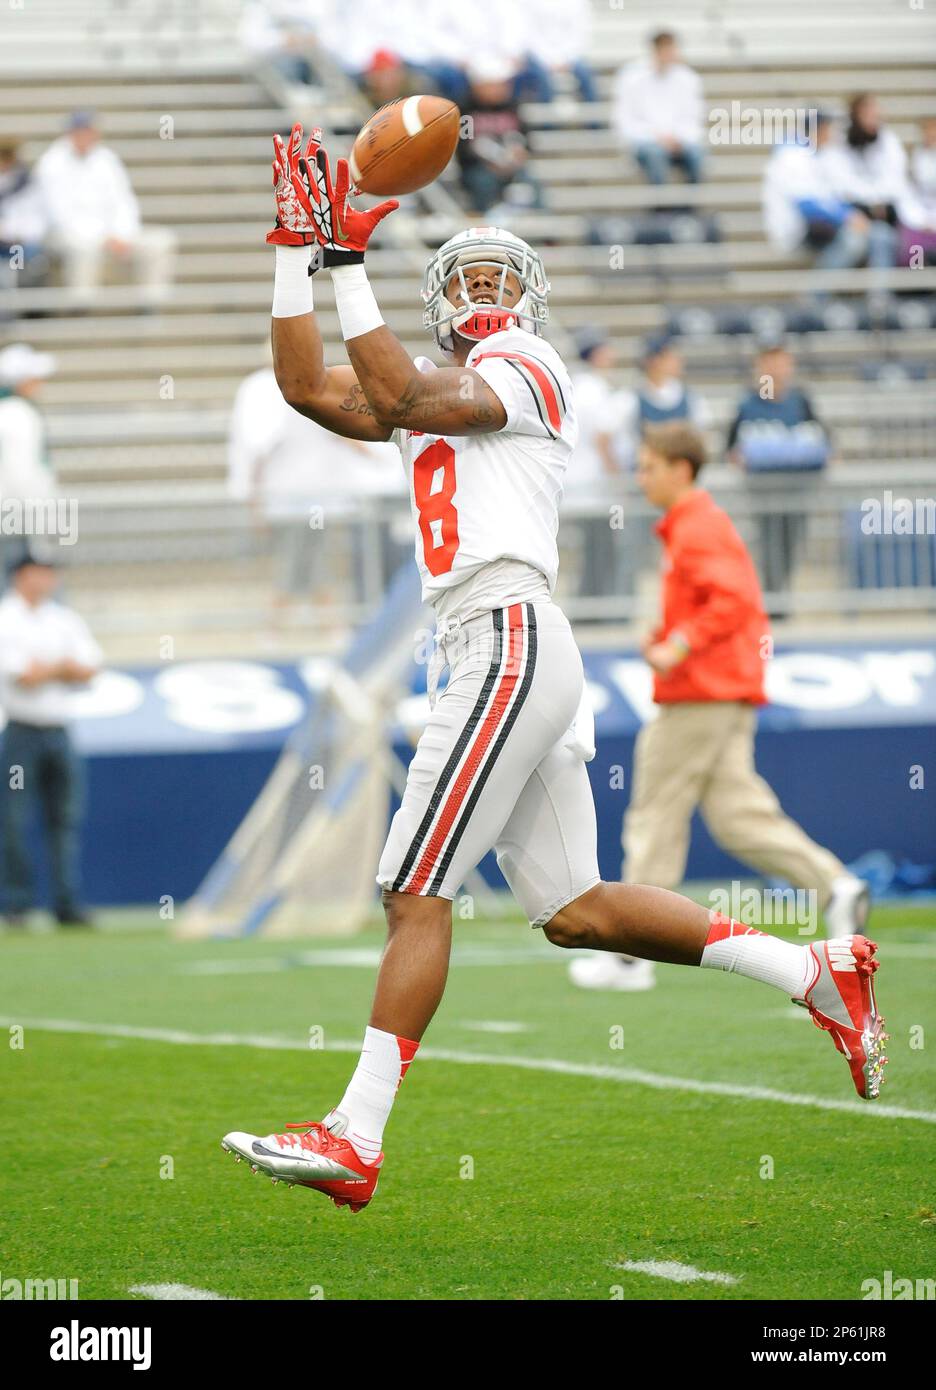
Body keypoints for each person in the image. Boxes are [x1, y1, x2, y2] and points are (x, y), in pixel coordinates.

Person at [219, 125, 887, 1213]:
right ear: (441, 302)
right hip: (495, 645)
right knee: (577, 907)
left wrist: (347, 262)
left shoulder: (525, 365)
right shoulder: (423, 377)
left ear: (527, 300)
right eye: (465, 277)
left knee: (412, 889)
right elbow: (306, 385)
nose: (481, 289)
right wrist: (297, 248)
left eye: (498, 275)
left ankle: (355, 1134)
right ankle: (817, 972)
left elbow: (401, 395)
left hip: (507, 638)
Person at [570, 423, 870, 994]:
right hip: (725, 688)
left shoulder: (697, 523)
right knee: (738, 818)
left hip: (700, 691)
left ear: (681, 469)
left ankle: (631, 955)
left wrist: (675, 646)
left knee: (654, 814)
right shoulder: (695, 522)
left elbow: (732, 598)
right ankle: (837, 886)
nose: (642, 476)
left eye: (649, 465)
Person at [227, 353, 403, 620]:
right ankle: (288, 629)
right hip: (296, 499)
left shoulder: (284, 395)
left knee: (309, 568)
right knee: (297, 569)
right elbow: (261, 450)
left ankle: (297, 629)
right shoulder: (285, 396)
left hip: (301, 498)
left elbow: (340, 436)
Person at [0, 552, 101, 928]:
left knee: (65, 819)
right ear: (21, 576)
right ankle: (16, 904)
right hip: (21, 732)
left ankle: (66, 904)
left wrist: (50, 669)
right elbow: (22, 676)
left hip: (59, 731)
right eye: (41, 572)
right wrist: (62, 667)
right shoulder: (6, 619)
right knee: (13, 819)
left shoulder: (63, 619)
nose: (49, 580)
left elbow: (90, 668)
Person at [34, 111, 177, 311]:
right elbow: (59, 214)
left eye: (88, 131)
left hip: (111, 235)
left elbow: (124, 201)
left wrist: (121, 234)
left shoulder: (107, 159)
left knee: (161, 241)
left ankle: (150, 304)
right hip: (67, 235)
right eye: (80, 131)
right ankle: (81, 307)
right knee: (83, 248)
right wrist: (104, 236)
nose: (84, 136)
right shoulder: (51, 163)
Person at [726, 342, 829, 603]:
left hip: (797, 488)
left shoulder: (800, 400)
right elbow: (731, 445)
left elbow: (822, 436)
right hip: (764, 490)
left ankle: (780, 596)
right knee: (770, 543)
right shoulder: (748, 404)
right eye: (770, 363)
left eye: (782, 363)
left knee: (791, 542)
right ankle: (774, 600)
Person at [761, 111, 882, 270]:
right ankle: (815, 293)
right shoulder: (792, 157)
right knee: (854, 242)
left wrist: (850, 214)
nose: (832, 134)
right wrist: (847, 217)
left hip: (816, 224)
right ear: (819, 129)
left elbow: (828, 197)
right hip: (797, 229)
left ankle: (878, 293)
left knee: (881, 235)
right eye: (829, 129)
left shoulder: (813, 155)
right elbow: (807, 206)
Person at [563, 330, 628, 598]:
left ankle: (589, 602)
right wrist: (617, 478)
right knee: (600, 552)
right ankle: (598, 604)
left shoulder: (573, 386)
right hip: (595, 485)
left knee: (588, 553)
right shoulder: (598, 390)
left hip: (573, 483)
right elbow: (604, 439)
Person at [818, 94, 907, 270]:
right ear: (855, 116)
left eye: (876, 114)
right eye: (867, 114)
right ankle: (815, 294)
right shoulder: (839, 143)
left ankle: (879, 295)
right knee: (860, 241)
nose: (874, 119)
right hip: (848, 211)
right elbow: (840, 183)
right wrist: (870, 204)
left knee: (885, 237)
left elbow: (896, 178)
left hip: (883, 211)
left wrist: (877, 202)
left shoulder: (888, 141)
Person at [612, 31, 704, 186]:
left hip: (680, 141)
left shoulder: (688, 79)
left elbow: (694, 118)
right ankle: (660, 207)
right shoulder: (632, 78)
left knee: (696, 154)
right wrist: (657, 138)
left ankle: (690, 205)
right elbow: (624, 121)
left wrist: (677, 138)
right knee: (655, 154)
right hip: (645, 143)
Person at [0, 343, 58, 578]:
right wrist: (41, 521)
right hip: (16, 519)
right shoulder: (19, 416)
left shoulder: (11, 412)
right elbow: (21, 473)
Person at [456, 58, 541, 216]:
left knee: (531, 184)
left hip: (511, 167)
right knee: (483, 182)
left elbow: (527, 141)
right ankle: (482, 220)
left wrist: (519, 153)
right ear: (478, 86)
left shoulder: (513, 107)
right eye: (494, 85)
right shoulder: (466, 110)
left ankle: (544, 231)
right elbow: (463, 148)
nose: (501, 89)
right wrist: (491, 162)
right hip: (479, 168)